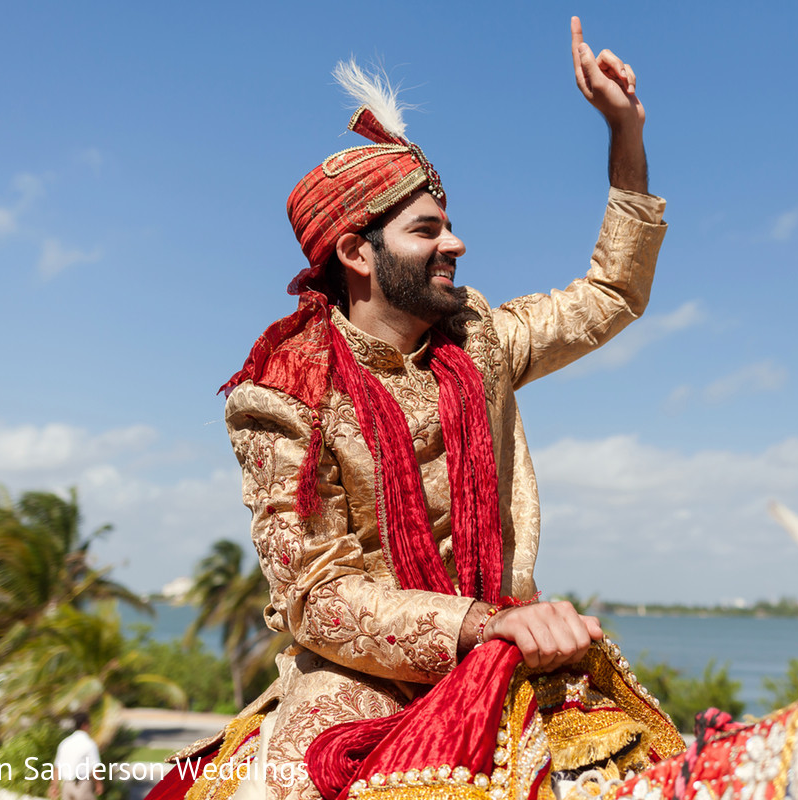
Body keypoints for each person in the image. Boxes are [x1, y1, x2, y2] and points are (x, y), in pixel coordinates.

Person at [159, 17, 683, 800]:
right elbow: (317, 600)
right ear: (354, 252)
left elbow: (611, 293)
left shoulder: (483, 341)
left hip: (513, 640)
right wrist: (478, 624)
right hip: (359, 679)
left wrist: (625, 131)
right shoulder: (282, 395)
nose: (459, 245)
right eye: (429, 229)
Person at [49, 713, 102, 800]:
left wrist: (54, 786)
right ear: (85, 725)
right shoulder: (89, 743)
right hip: (82, 785)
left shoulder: (64, 743)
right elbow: (94, 767)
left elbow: (57, 767)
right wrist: (98, 783)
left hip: (66, 786)